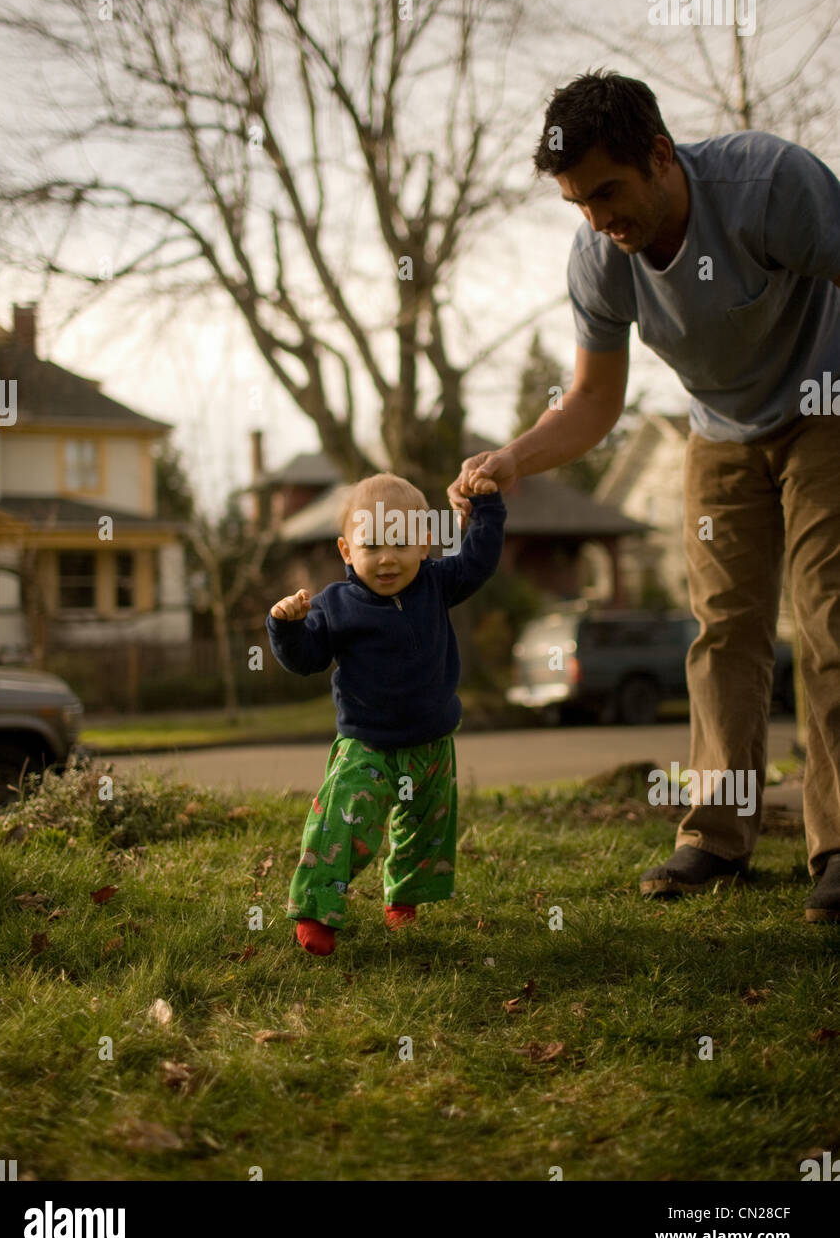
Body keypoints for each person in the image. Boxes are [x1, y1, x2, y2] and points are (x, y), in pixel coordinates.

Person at [448, 69, 840, 923]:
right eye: (579, 202)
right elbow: (593, 400)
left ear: (661, 157)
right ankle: (718, 837)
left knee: (827, 619)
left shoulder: (770, 186)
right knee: (724, 631)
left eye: (608, 192)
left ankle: (839, 847)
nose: (597, 218)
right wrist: (514, 457)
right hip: (721, 429)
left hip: (827, 405)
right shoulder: (600, 258)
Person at [267, 470, 506, 955]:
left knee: (425, 830)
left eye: (400, 542)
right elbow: (307, 659)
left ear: (424, 544)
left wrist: (487, 510)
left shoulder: (438, 584)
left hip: (432, 744)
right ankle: (316, 911)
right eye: (371, 545)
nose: (386, 558)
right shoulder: (336, 605)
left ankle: (403, 902)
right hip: (366, 745)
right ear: (346, 551)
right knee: (342, 823)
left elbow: (479, 560)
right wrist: (286, 629)